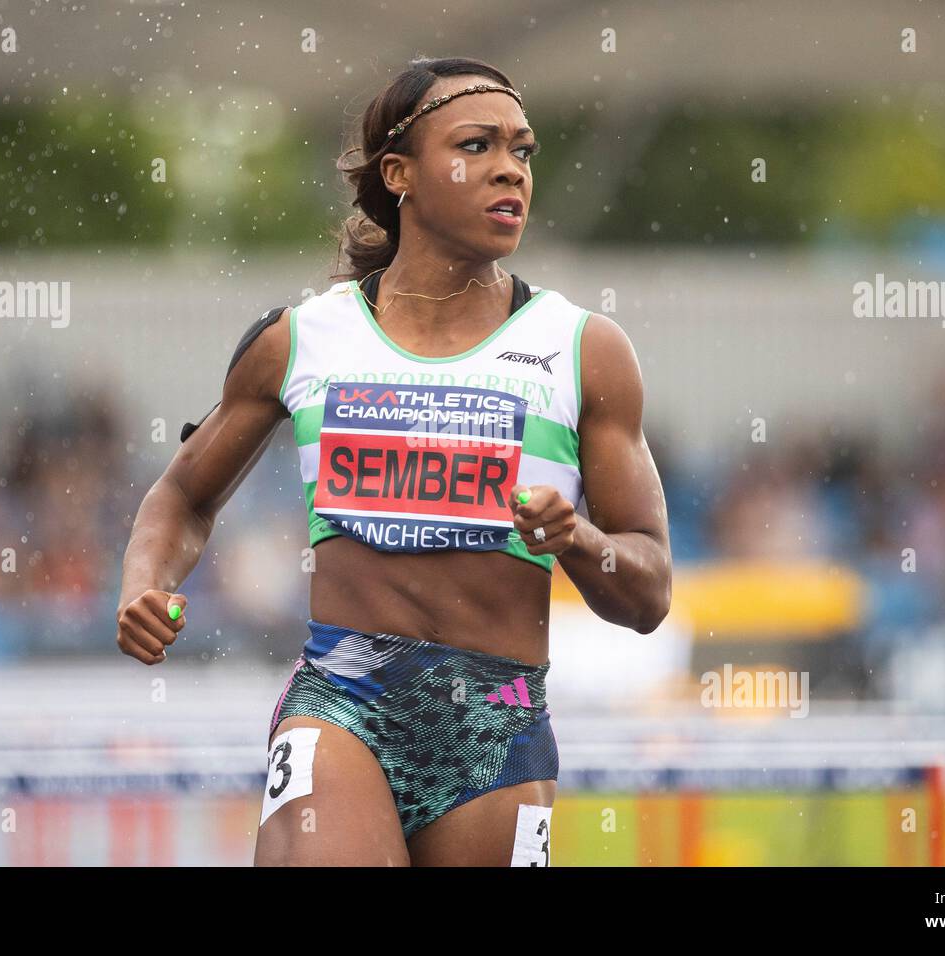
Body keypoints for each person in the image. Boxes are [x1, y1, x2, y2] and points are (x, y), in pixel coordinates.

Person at [116, 56, 672, 866]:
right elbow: (182, 497)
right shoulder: (302, 337)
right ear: (399, 173)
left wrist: (578, 541)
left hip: (496, 721)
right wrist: (145, 583)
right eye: (477, 146)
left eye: (523, 150)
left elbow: (649, 590)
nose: (510, 169)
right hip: (341, 697)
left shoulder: (585, 350)